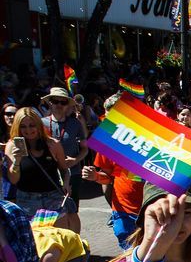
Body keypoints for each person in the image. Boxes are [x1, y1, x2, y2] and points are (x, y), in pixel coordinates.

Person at [82, 94, 145, 249]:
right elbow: (108, 178)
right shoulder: (108, 143)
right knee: (130, 258)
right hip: (123, 212)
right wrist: (95, 176)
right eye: (108, 118)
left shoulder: (151, 140)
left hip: (151, 210)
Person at [3, 107, 70, 222]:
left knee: (57, 237)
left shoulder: (52, 144)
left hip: (53, 197)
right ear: (17, 127)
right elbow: (13, 180)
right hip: (27, 200)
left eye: (32, 125)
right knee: (35, 238)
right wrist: (17, 161)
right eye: (23, 126)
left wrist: (67, 184)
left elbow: (64, 170)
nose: (28, 130)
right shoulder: (12, 146)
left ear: (39, 125)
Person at [40, 87, 87, 232]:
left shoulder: (75, 123)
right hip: (50, 175)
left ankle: (74, 244)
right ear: (50, 103)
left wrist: (75, 160)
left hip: (73, 173)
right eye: (55, 101)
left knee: (72, 211)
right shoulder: (41, 124)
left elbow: (85, 149)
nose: (59, 105)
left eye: (63, 102)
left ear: (67, 105)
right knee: (52, 213)